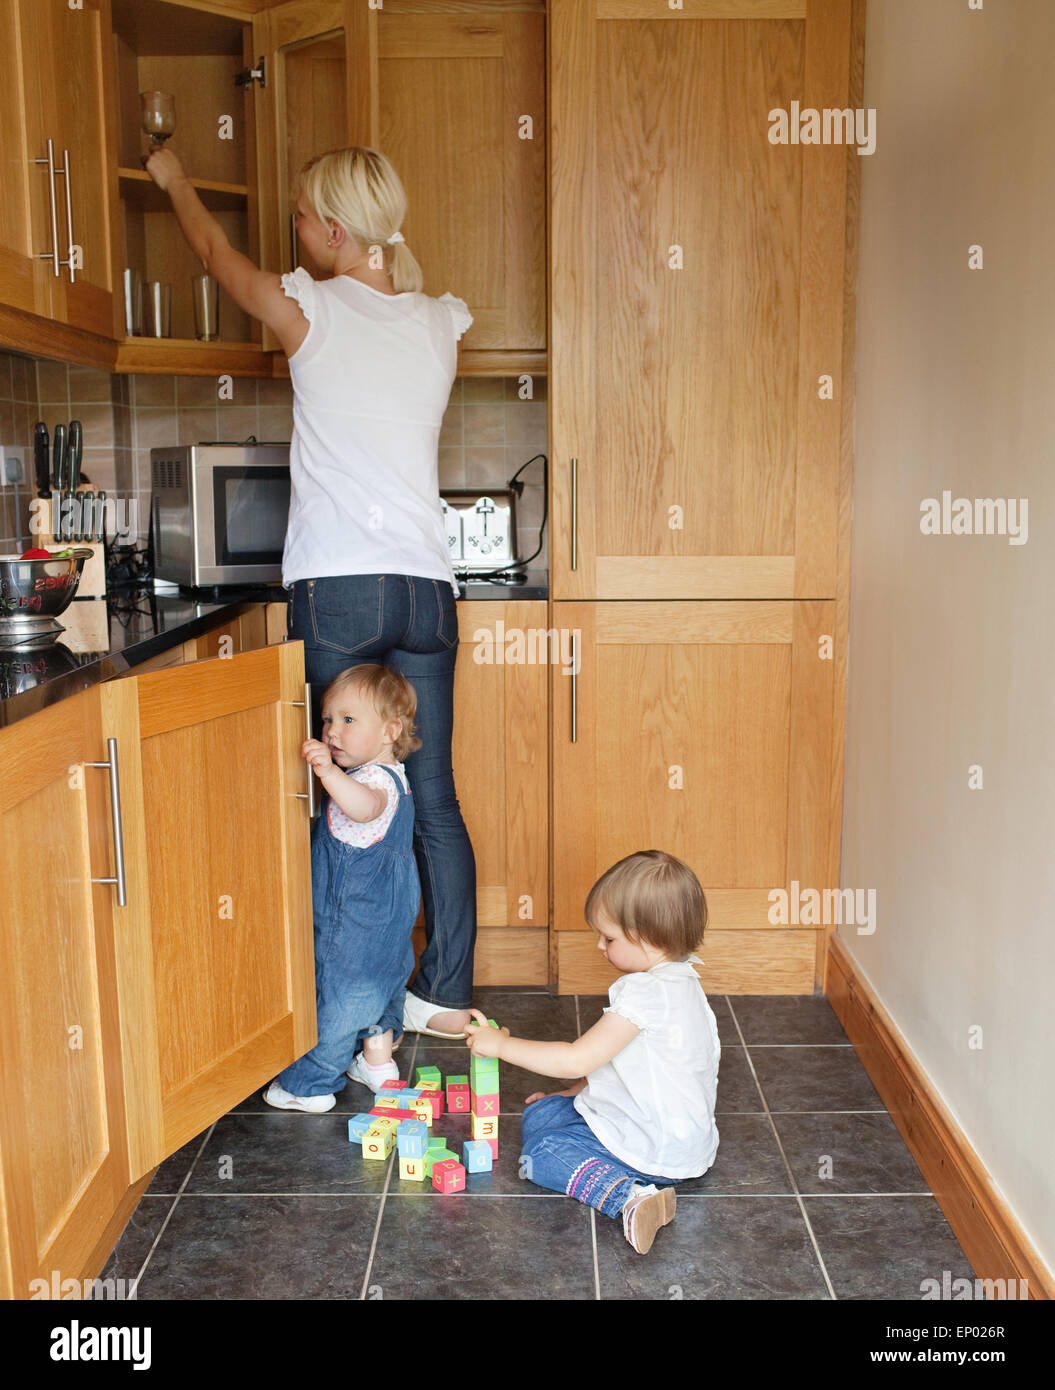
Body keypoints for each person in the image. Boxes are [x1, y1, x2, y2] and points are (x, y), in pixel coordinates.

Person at [145, 143, 478, 1041]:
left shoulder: (311, 310)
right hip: (425, 594)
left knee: (320, 787)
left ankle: (316, 1000)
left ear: (335, 229)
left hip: (340, 589)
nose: (291, 233)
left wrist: (173, 179)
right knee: (432, 800)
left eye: (299, 217)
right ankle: (441, 995)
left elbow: (218, 259)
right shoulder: (441, 320)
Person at [464, 851, 720, 1254]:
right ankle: (622, 1173)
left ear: (648, 937)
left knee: (542, 1153)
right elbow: (631, 1063)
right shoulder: (683, 981)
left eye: (609, 937)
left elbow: (577, 1057)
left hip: (656, 1149)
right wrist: (574, 1092)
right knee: (541, 1112)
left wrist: (500, 1046)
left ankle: (630, 1198)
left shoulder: (644, 994)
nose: (600, 946)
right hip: (679, 1138)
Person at [264, 664, 421, 1112]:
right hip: (388, 919)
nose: (333, 730)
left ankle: (309, 1085)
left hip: (352, 919)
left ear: (391, 730)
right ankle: (376, 1061)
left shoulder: (371, 783)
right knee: (381, 986)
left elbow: (364, 808)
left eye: (349, 720)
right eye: (328, 718)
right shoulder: (393, 772)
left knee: (342, 997)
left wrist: (327, 772)